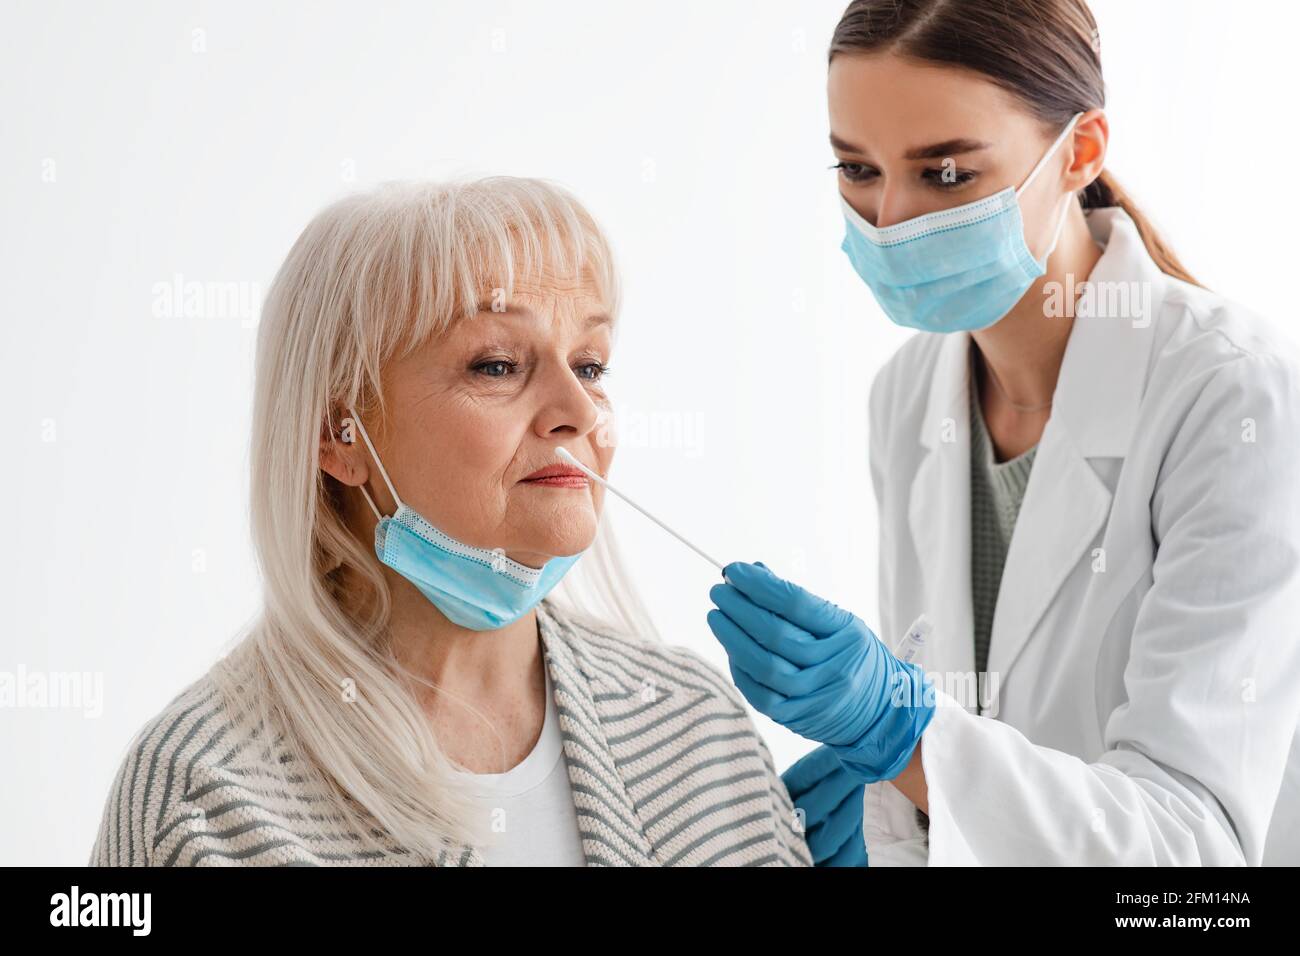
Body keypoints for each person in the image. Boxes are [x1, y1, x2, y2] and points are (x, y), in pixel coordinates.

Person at [712, 0, 1300, 865]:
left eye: (946, 174)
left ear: (1080, 152)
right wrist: (894, 810)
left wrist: (907, 739)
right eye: (857, 169)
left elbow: (1195, 858)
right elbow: (976, 777)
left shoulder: (1233, 394)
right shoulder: (907, 399)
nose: (891, 219)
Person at [89, 177, 810, 867]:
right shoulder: (203, 794)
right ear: (339, 433)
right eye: (497, 366)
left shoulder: (697, 728)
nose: (580, 411)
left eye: (590, 365)